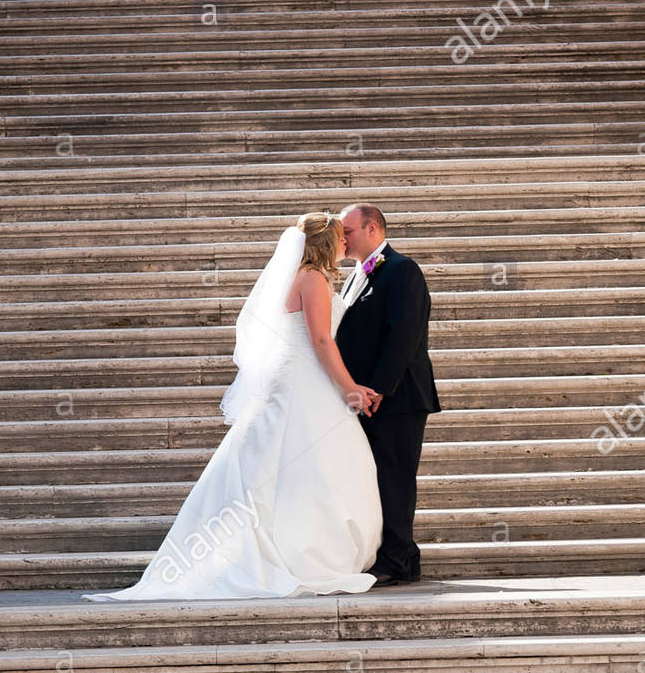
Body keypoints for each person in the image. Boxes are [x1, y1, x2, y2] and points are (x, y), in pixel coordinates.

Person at [81, 214, 383, 602]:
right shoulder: (313, 279)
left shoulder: (301, 277)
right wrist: (351, 388)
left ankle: (275, 541)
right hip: (302, 377)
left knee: (283, 460)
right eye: (342, 238)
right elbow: (322, 341)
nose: (347, 243)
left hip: (294, 374)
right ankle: (297, 551)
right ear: (327, 243)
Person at [336, 204, 441, 587]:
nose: (341, 237)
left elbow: (404, 335)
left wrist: (379, 388)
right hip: (365, 398)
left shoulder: (402, 270)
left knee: (395, 479)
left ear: (373, 228)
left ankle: (397, 560)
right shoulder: (355, 276)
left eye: (347, 230)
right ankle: (400, 557)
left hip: (398, 399)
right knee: (376, 480)